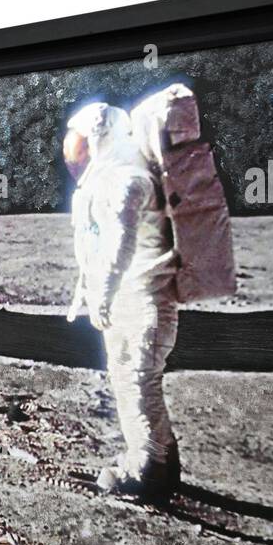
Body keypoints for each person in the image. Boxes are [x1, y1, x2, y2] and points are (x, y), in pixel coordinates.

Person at [64, 102, 181, 501]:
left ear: (99, 140)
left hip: (141, 299)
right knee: (135, 382)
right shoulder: (125, 174)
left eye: (80, 145)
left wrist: (104, 293)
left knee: (135, 383)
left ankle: (147, 472)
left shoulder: (126, 179)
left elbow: (120, 243)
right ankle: (158, 461)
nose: (75, 156)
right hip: (141, 297)